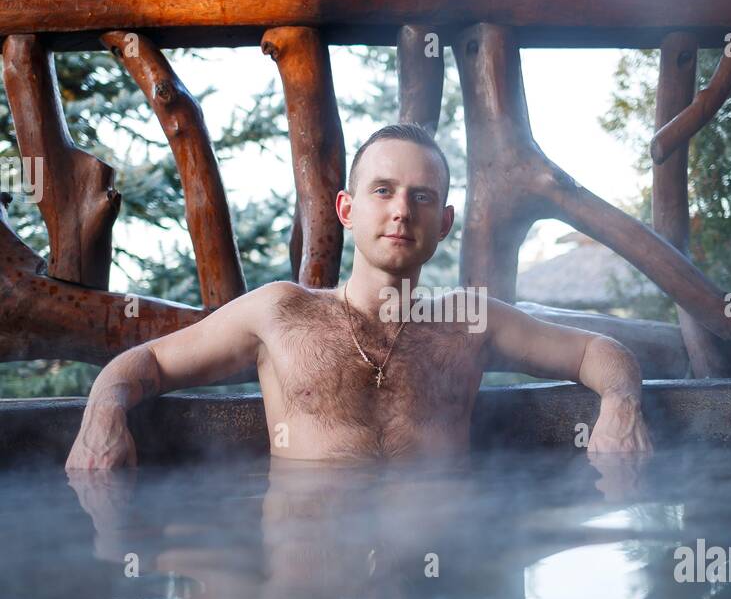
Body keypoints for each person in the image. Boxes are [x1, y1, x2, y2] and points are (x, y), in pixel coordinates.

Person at [65, 123, 652, 470]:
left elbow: (597, 351)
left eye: (422, 197)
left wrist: (621, 407)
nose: (402, 209)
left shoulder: (471, 322)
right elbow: (144, 363)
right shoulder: (280, 313)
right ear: (347, 209)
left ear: (444, 222)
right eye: (383, 190)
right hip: (311, 575)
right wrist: (103, 414)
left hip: (438, 574)